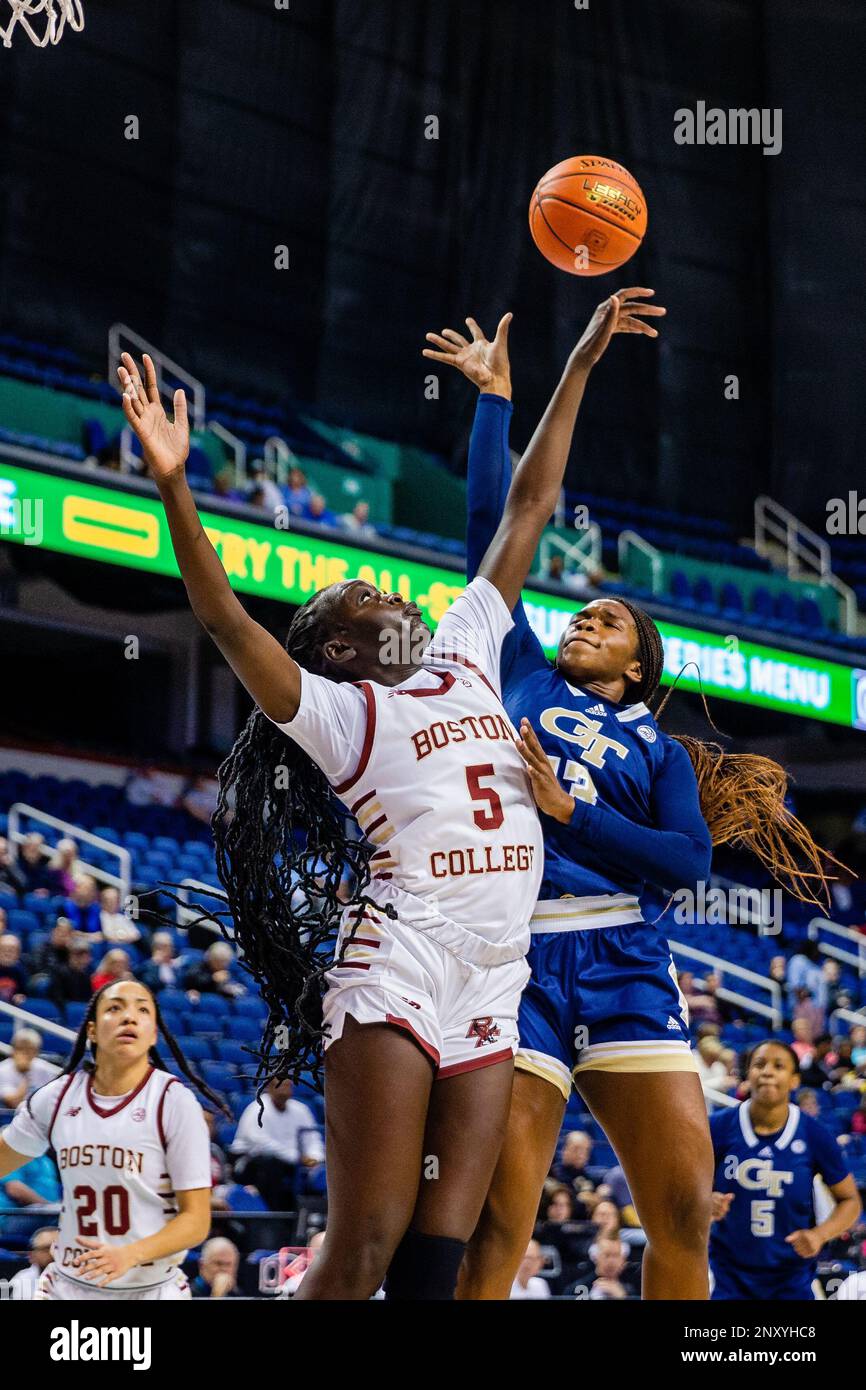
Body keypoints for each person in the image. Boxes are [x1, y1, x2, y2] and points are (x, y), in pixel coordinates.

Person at [114, 300, 591, 1304]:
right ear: (337, 647)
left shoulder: (465, 645)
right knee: (362, 1245)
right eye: (366, 598)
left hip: (491, 984)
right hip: (397, 968)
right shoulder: (337, 713)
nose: (391, 590)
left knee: (430, 1264)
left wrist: (573, 361)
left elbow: (530, 507)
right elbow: (220, 613)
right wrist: (172, 482)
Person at [438, 304, 843, 1302]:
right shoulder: (519, 668)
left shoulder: (658, 750)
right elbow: (498, 530)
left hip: (622, 959)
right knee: (499, 1223)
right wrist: (504, 400)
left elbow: (685, 864)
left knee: (675, 1213)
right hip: (519, 957)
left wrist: (572, 816)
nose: (583, 615)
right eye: (582, 610)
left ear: (637, 664)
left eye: (606, 619)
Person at [0, 979, 221, 1300]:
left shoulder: (174, 1102)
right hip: (69, 1286)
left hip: (151, 1287)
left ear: (154, 1033)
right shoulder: (56, 1098)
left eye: (142, 1010)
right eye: (115, 1008)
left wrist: (129, 1254)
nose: (129, 1017)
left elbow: (196, 1221)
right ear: (91, 1030)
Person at [708, 1040, 861, 1300]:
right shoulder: (718, 1127)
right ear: (748, 1075)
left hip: (791, 1280)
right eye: (759, 1064)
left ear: (794, 1080)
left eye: (778, 1066)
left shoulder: (813, 1133)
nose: (767, 1071)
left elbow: (850, 1201)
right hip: (727, 1277)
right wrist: (703, 1201)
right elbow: (680, 1187)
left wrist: (819, 1235)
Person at [232, 1078, 324, 1210]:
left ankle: (309, 1217)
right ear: (269, 1087)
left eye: (287, 1086)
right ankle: (273, 1216)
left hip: (292, 1164)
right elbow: (262, 1144)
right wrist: (298, 1158)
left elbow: (312, 1138)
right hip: (249, 1163)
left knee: (319, 1172)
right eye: (279, 1085)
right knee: (270, 1163)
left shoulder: (301, 1109)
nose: (284, 1090)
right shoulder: (257, 1108)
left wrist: (315, 1158)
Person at [0, 1028, 56, 1107]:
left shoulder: (44, 1068)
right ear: (13, 1050)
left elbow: (53, 1098)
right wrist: (26, 1074)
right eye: (20, 1048)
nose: (24, 1053)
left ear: (36, 1052)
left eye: (29, 1050)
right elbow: (14, 1103)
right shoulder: (2, 1069)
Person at [8, 1227, 58, 1300]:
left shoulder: (78, 1276)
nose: (53, 1253)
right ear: (32, 1255)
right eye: (47, 1248)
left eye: (57, 1247)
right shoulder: (23, 1279)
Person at [0, 933, 27, 1003]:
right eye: (3, 950)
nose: (7, 953)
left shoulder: (20, 970)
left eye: (11, 950)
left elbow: (24, 992)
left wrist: (20, 996)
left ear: (18, 954)